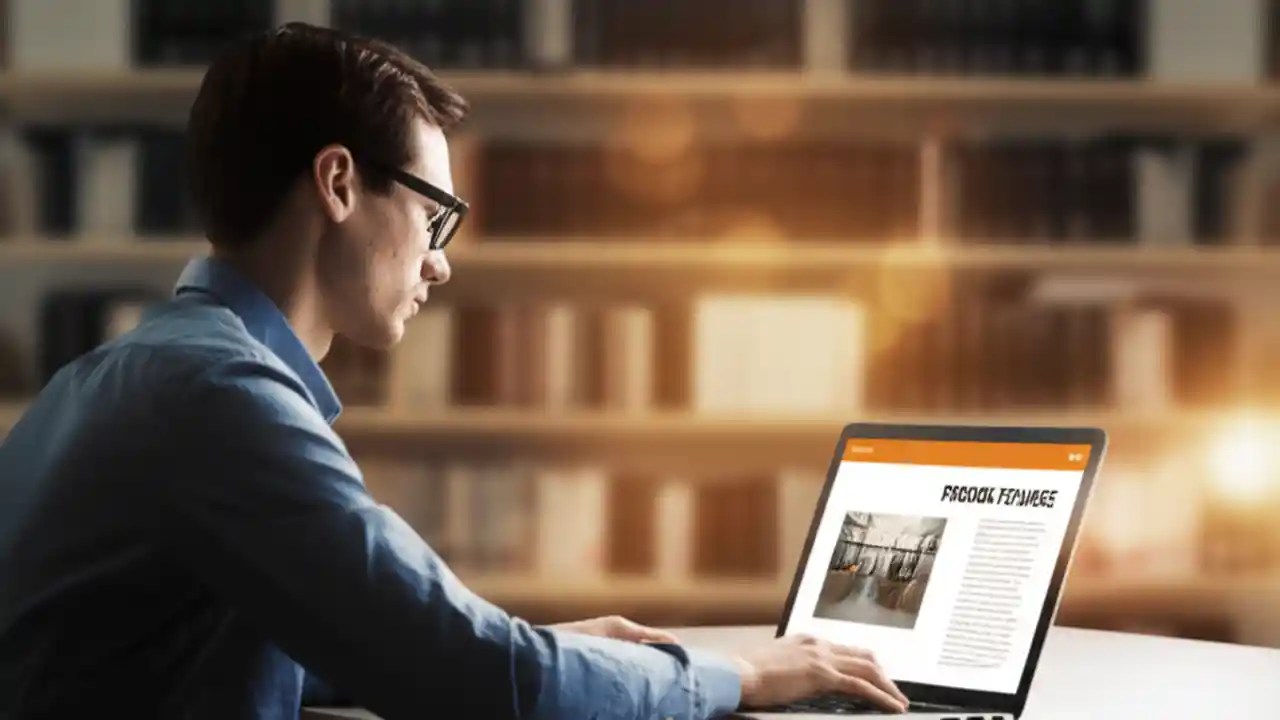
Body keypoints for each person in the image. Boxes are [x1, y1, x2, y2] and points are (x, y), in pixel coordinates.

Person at [0, 23, 908, 719]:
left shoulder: (106, 380)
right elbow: (480, 683)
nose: (440, 263)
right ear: (340, 184)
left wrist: (530, 645)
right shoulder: (219, 400)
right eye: (435, 215)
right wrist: (738, 676)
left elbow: (254, 637)